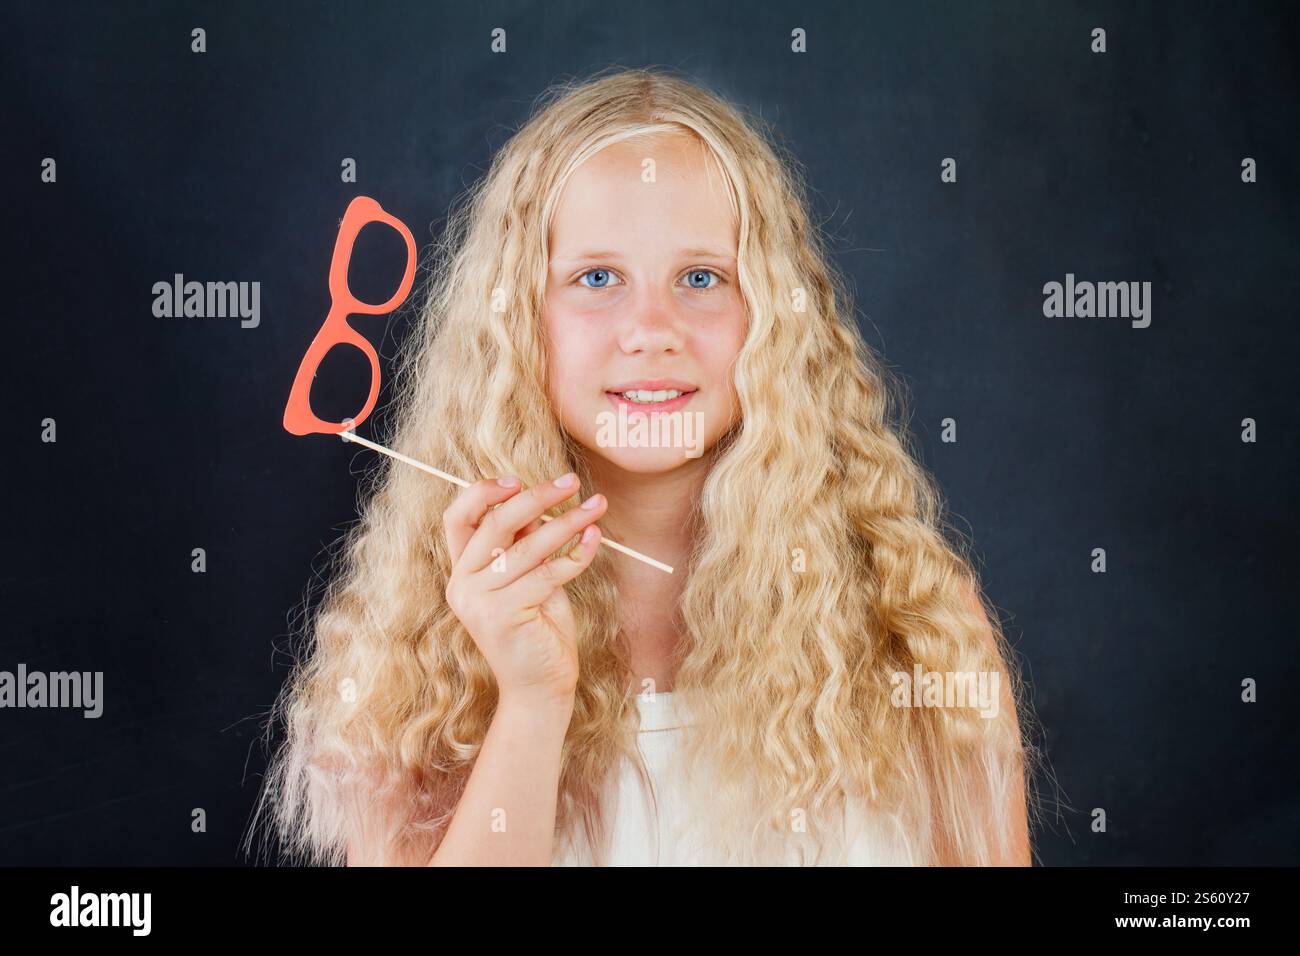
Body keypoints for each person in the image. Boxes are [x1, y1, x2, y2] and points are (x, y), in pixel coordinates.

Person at [249, 66, 1041, 867]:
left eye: (701, 279)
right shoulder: (413, 649)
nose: (651, 329)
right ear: (518, 321)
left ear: (773, 316)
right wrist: (531, 702)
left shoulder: (917, 626)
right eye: (597, 279)